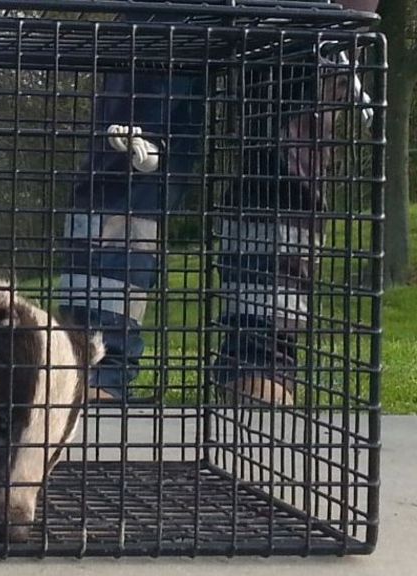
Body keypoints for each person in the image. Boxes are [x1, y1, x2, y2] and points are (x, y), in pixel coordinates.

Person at [59, 1, 379, 404]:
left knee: (287, 172)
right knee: (130, 154)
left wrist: (347, 20)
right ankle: (94, 360)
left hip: (303, 15)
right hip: (163, 14)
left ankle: (259, 360)